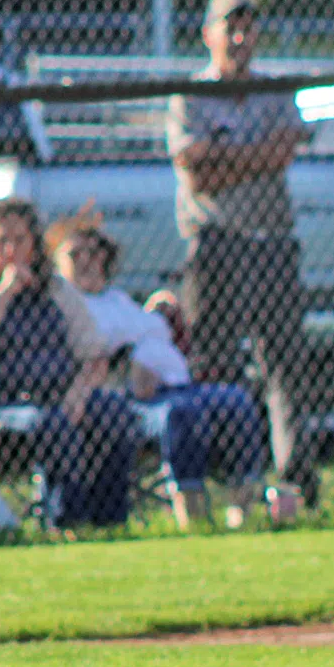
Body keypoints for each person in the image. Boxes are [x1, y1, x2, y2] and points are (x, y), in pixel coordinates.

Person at [166, 0, 316, 513]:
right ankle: (234, 489)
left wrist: (224, 160)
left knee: (285, 368)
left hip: (272, 241)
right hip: (215, 246)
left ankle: (293, 488)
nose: (239, 36)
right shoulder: (191, 93)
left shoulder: (274, 89)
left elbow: (274, 156)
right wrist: (259, 155)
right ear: (207, 32)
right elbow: (196, 173)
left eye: (249, 27)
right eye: (229, 26)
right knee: (215, 367)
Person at [44, 213, 268, 530]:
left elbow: (153, 330)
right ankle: (192, 517)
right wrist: (135, 359)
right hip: (125, 397)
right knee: (183, 413)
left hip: (176, 384)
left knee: (235, 400)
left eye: (94, 252)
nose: (87, 261)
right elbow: (101, 348)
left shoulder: (116, 298)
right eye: (74, 254)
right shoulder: (64, 302)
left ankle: (241, 512)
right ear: (55, 261)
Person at [0, 197, 138, 528]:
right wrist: (3, 292)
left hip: (59, 397)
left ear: (34, 243)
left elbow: (93, 352)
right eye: (1, 242)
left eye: (21, 240)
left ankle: (109, 522)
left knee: (112, 411)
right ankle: (67, 524)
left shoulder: (55, 289)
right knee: (51, 424)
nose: (11, 250)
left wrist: (78, 394)